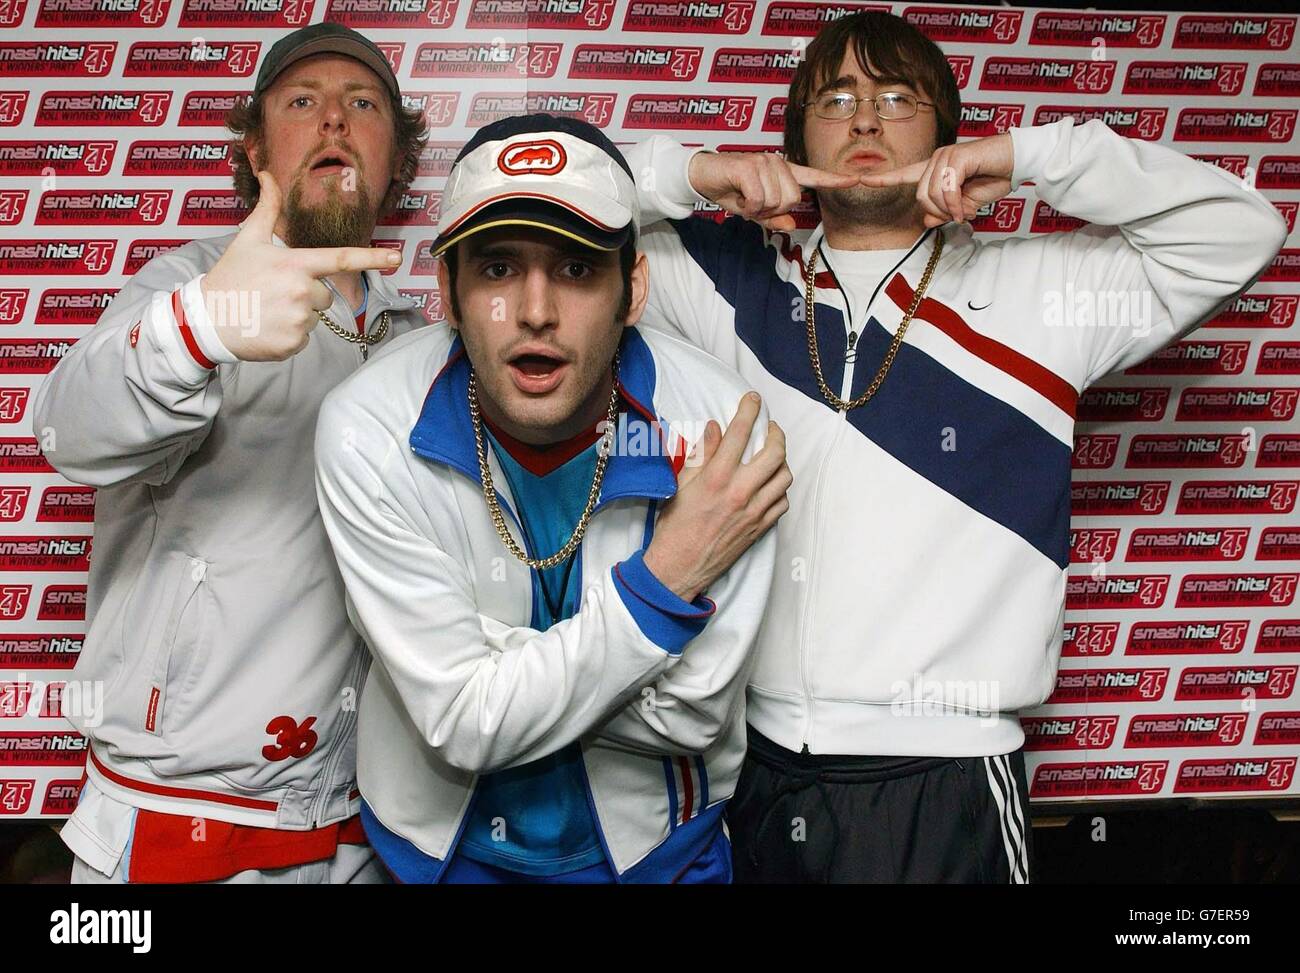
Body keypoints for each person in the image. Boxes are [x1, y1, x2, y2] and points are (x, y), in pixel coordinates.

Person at [626, 10, 1288, 882]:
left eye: (897, 96)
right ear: (794, 138)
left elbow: (1241, 227)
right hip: (757, 768)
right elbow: (560, 195)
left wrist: (1028, 158)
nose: (866, 120)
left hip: (951, 782)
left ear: (946, 134)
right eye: (837, 97)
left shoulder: (1048, 289)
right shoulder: (724, 279)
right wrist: (701, 173)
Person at [314, 113, 790, 883]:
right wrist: (662, 584)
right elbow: (460, 722)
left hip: (660, 857)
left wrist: (490, 677)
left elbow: (693, 713)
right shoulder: (369, 427)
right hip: (442, 856)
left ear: (632, 288)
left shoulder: (719, 428)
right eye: (498, 269)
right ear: (448, 291)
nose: (534, 311)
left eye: (575, 268)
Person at [33, 22, 428, 884]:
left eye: (363, 105)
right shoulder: (189, 285)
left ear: (396, 156)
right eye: (302, 103)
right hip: (178, 819)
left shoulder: (417, 343)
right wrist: (203, 326)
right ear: (255, 147)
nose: (333, 121)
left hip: (359, 819)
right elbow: (65, 423)